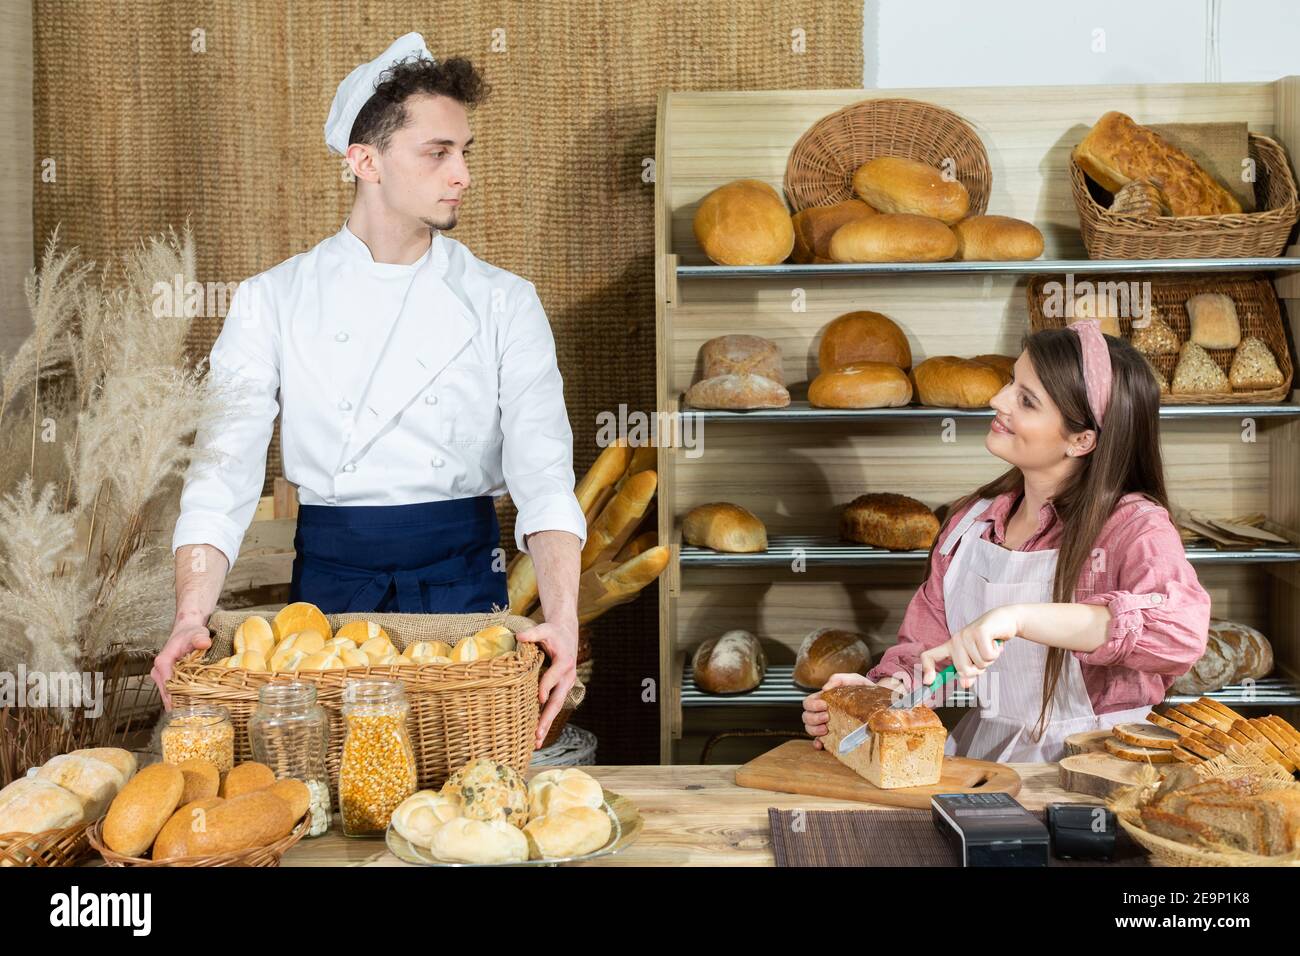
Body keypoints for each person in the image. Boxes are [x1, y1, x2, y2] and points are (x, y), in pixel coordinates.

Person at [151, 34, 586, 748]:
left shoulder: (505, 302)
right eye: (437, 152)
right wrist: (191, 614)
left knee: (466, 791)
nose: (463, 175)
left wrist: (562, 620)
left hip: (465, 592)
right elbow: (221, 471)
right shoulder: (273, 300)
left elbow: (543, 476)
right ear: (364, 161)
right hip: (326, 595)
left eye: (466, 151)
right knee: (331, 800)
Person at [803, 320, 1211, 762]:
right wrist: (877, 697)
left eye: (1026, 399)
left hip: (1107, 767)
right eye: (1010, 383)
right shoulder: (972, 522)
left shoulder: (1133, 528)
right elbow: (927, 652)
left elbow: (1181, 632)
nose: (997, 400)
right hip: (991, 757)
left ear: (1082, 439)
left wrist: (1019, 617)